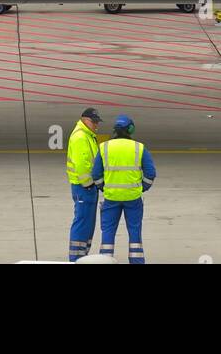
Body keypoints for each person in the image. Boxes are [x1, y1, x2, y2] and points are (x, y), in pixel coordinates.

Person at [90, 114, 156, 264]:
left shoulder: (104, 147)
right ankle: (136, 261)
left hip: (111, 197)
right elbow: (150, 173)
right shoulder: (139, 148)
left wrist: (103, 188)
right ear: (131, 129)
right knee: (135, 233)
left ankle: (105, 260)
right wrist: (142, 188)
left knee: (107, 233)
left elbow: (95, 174)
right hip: (133, 198)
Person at [65, 107, 102, 261]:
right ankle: (75, 258)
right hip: (83, 187)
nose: (96, 125)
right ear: (85, 120)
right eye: (93, 122)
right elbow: (82, 165)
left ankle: (82, 255)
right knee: (82, 222)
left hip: (88, 187)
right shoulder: (80, 137)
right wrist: (88, 184)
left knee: (88, 223)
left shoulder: (88, 135)